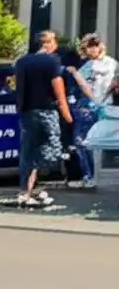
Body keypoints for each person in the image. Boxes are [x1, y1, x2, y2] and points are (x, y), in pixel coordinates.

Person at [14, 30, 71, 207]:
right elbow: (57, 86)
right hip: (47, 109)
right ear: (46, 43)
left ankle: (26, 190)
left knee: (29, 149)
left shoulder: (22, 62)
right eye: (53, 41)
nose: (55, 45)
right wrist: (66, 112)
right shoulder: (51, 61)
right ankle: (38, 186)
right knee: (50, 150)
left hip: (26, 111)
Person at [66, 33, 116, 188]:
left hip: (89, 105)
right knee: (100, 140)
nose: (88, 51)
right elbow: (114, 84)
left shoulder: (89, 66)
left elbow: (84, 87)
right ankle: (98, 175)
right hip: (106, 105)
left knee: (82, 140)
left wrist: (74, 73)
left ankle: (89, 175)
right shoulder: (113, 63)